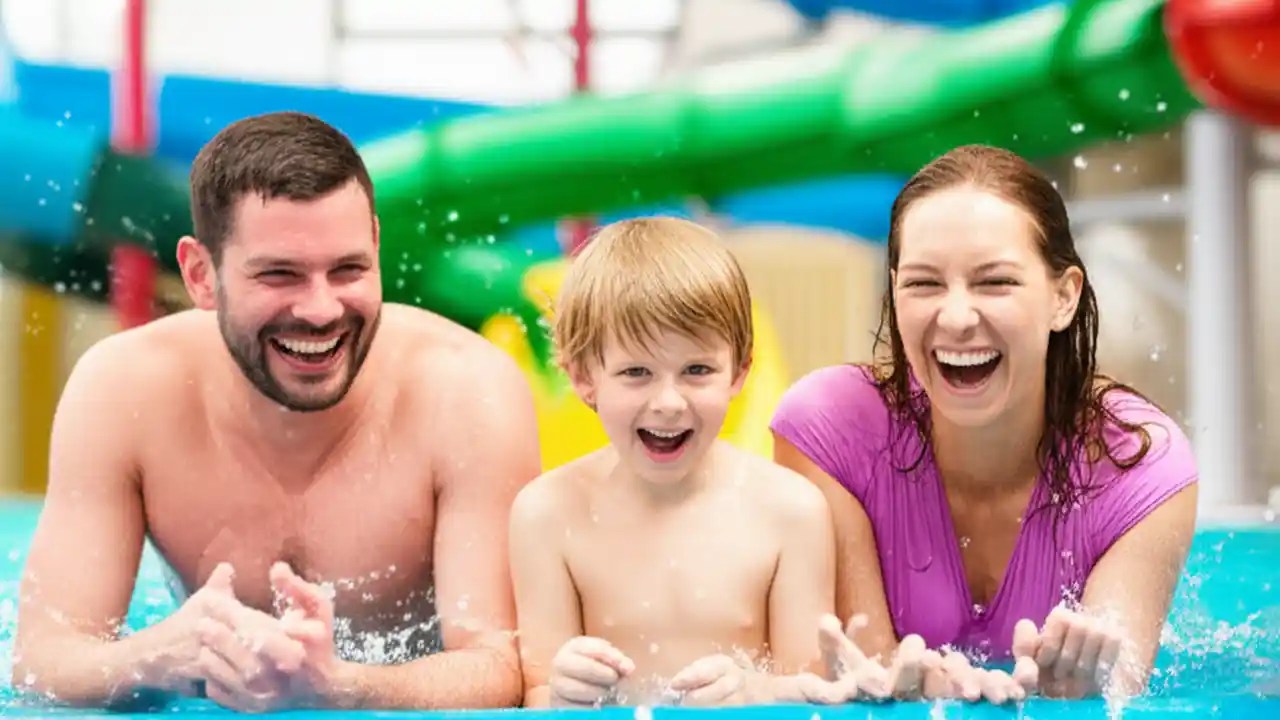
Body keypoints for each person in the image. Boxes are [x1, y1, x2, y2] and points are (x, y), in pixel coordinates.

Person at [11, 111, 542, 712]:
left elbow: (503, 670)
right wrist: (158, 656)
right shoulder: (124, 391)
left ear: (376, 245)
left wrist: (341, 687)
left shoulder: (466, 391)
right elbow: (45, 660)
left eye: (348, 269)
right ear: (200, 275)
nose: (320, 310)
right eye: (280, 275)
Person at [770, 144, 1199, 702]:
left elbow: (1121, 689)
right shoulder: (829, 434)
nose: (955, 318)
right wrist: (898, 689)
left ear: (1063, 297)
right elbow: (861, 672)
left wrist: (1079, 698)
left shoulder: (1139, 466)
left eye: (995, 282)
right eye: (923, 284)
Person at [508, 217, 854, 708]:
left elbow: (814, 691)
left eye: (696, 370)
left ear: (739, 372)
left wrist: (757, 691)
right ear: (584, 378)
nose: (668, 402)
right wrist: (560, 691)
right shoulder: (547, 514)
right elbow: (537, 692)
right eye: (636, 372)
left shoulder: (790, 511)